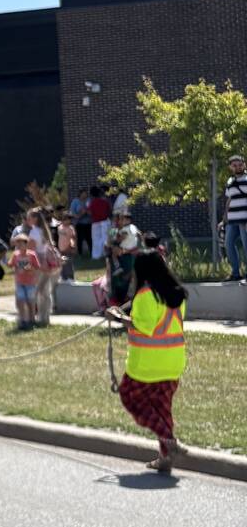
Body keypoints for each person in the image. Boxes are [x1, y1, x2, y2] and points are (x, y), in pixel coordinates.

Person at [110, 249, 188, 473]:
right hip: (173, 361)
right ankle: (166, 458)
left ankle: (169, 440)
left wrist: (117, 318)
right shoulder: (177, 293)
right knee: (163, 410)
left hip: (146, 364)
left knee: (130, 398)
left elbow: (142, 327)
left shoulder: (145, 295)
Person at [7, 228, 41, 331]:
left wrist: (30, 269)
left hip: (30, 282)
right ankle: (23, 319)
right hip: (19, 282)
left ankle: (32, 319)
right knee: (21, 301)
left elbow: (37, 267)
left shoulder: (31, 255)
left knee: (31, 302)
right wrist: (8, 263)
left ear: (26, 244)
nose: (19, 246)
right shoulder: (15, 255)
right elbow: (10, 264)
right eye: (18, 244)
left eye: (22, 244)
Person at [106, 221, 141, 309]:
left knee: (125, 283)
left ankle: (122, 304)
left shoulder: (131, 249)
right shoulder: (114, 233)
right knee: (117, 284)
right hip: (117, 278)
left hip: (126, 275)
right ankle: (116, 304)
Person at [225, 154, 247, 283]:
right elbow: (229, 200)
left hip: (245, 220)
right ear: (230, 167)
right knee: (228, 244)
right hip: (232, 220)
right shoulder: (230, 181)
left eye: (240, 164)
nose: (238, 167)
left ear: (244, 165)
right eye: (235, 165)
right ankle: (235, 273)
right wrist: (224, 219)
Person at [87, 185, 112, 261]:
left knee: (96, 239)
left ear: (91, 194)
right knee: (105, 239)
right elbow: (109, 211)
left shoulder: (92, 202)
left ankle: (96, 256)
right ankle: (106, 254)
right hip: (105, 222)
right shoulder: (105, 201)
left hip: (95, 223)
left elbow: (89, 212)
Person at [68, 188, 91, 260]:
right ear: (80, 194)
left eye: (86, 193)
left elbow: (91, 210)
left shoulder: (88, 200)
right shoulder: (75, 201)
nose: (85, 195)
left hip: (88, 223)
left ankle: (91, 252)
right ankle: (80, 254)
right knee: (80, 239)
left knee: (89, 238)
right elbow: (72, 212)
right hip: (79, 224)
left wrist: (87, 212)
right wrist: (80, 214)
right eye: (83, 193)